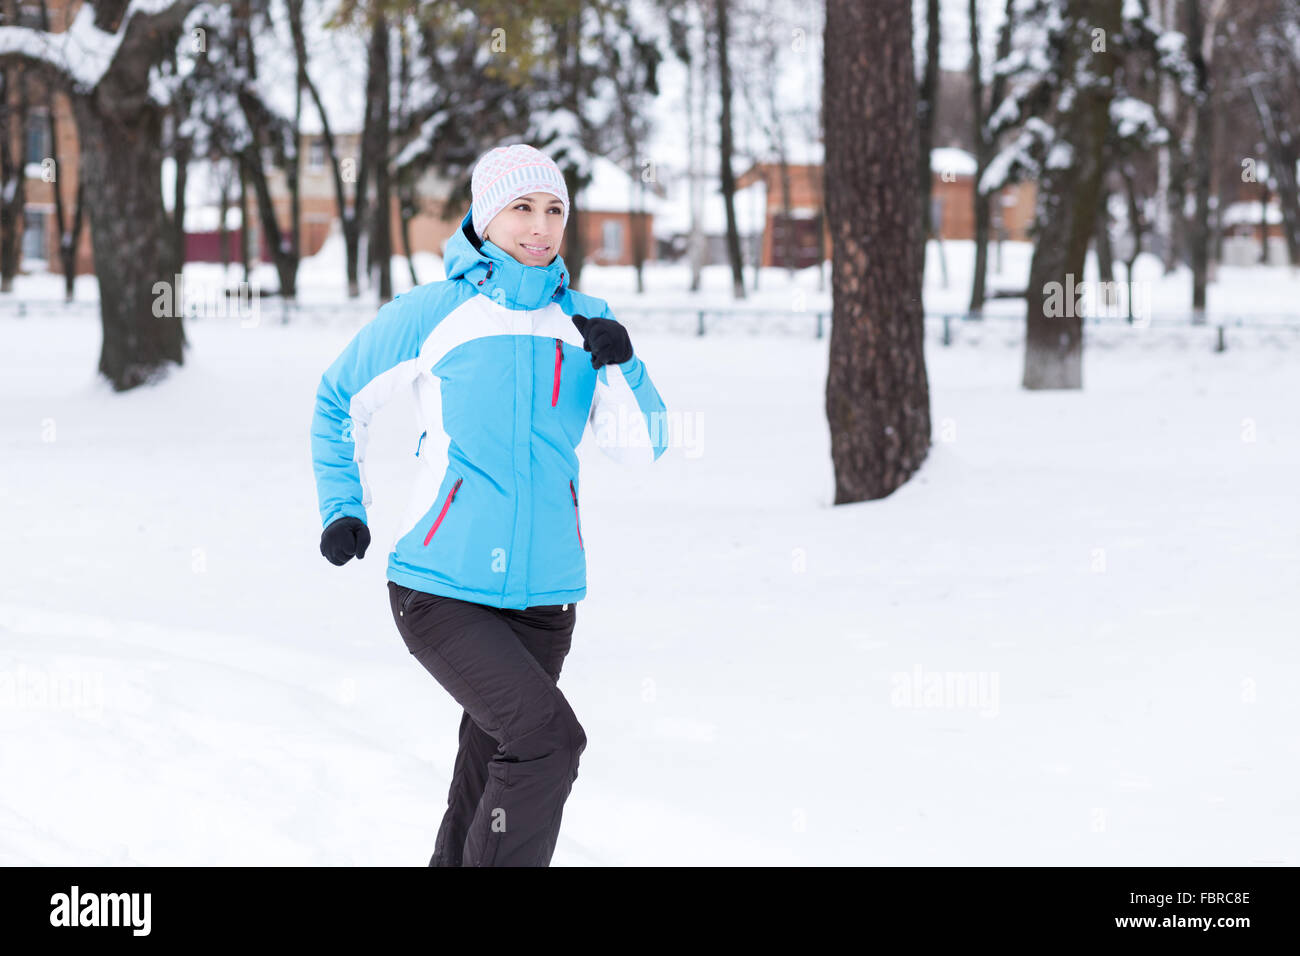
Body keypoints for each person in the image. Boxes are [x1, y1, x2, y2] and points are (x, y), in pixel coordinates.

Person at [309, 143, 668, 866]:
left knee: (493, 769)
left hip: (545, 600)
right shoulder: (434, 313)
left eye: (554, 209)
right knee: (547, 741)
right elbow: (338, 398)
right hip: (440, 589)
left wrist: (623, 364)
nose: (540, 227)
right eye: (521, 208)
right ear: (484, 215)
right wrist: (343, 504)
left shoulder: (587, 322)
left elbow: (644, 443)